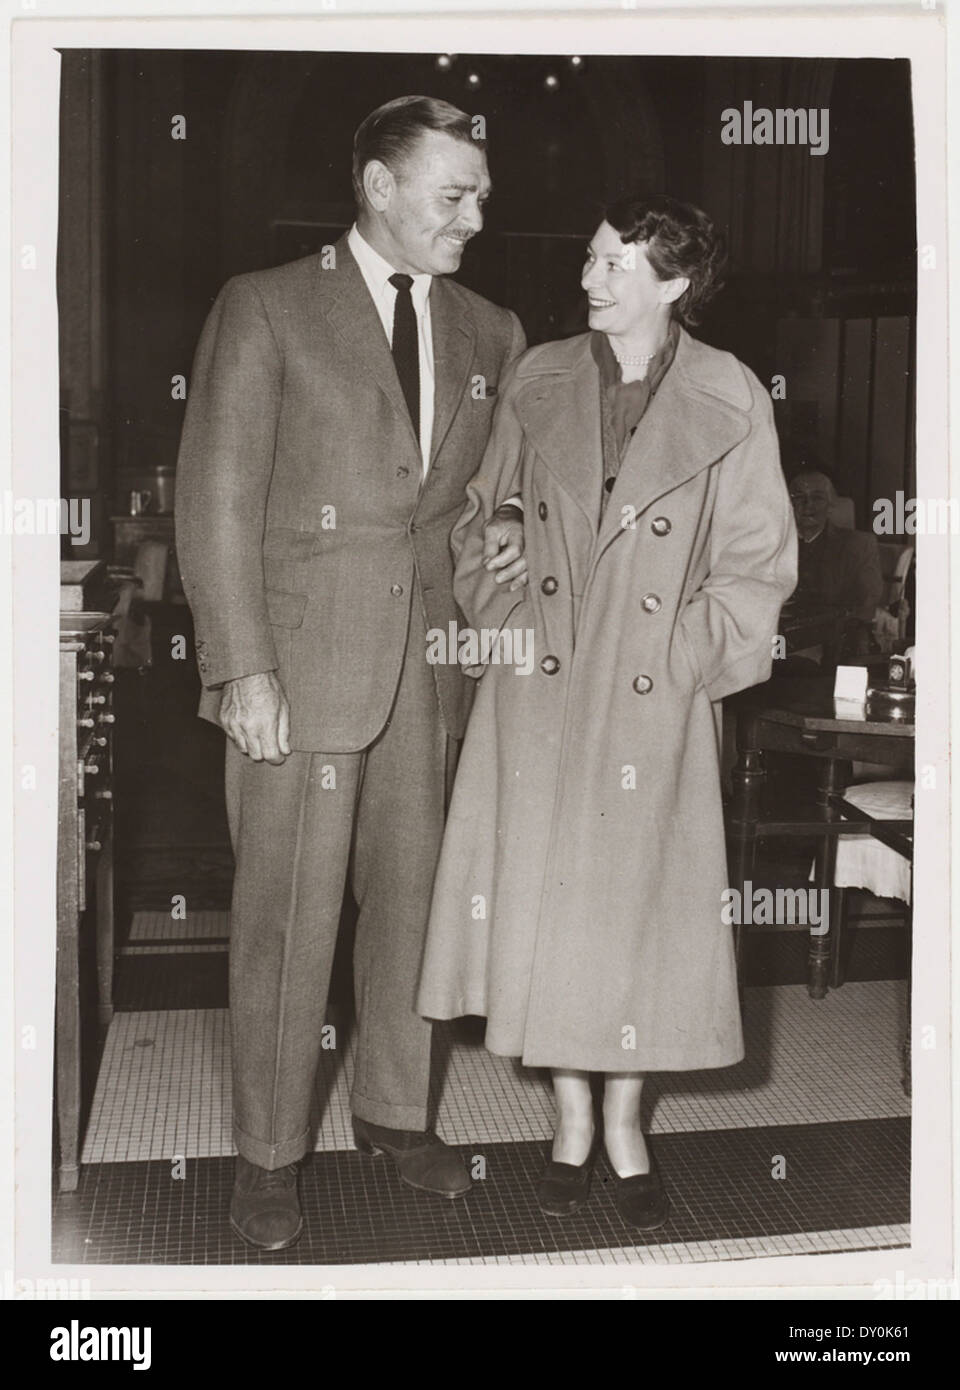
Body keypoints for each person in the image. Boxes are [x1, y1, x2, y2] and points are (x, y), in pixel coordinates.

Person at [175, 96, 527, 1251]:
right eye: (453, 194)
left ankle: (394, 1111)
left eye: (479, 196)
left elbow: (485, 511)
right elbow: (216, 502)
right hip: (300, 671)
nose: (474, 216)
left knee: (415, 916)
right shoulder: (269, 304)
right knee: (286, 923)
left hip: (430, 675)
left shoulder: (492, 329)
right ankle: (270, 1153)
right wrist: (241, 668)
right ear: (378, 185)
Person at [417, 194, 797, 1229]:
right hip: (539, 687)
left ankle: (625, 1121)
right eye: (590, 256)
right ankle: (571, 1121)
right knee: (549, 910)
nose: (590, 278)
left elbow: (758, 566)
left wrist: (677, 660)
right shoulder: (539, 376)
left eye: (616, 264)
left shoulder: (729, 396)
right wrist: (498, 541)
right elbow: (483, 509)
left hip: (648, 701)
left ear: (673, 285)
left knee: (634, 916)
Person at [787, 463, 884, 660]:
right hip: (778, 645)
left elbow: (866, 605)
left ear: (831, 506)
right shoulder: (769, 544)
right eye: (799, 498)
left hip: (830, 647)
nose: (808, 505)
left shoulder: (858, 546)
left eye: (817, 497)